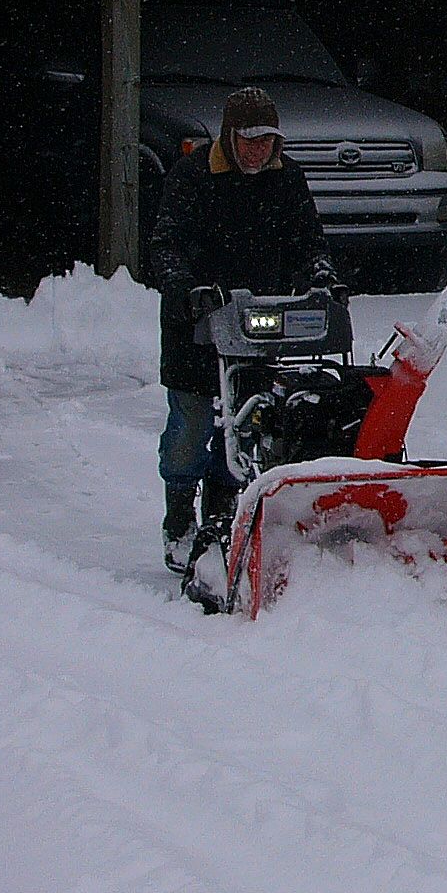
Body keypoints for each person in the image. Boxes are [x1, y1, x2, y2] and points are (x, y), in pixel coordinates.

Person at [145, 85, 342, 573]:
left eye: (267, 141)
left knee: (246, 423)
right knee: (193, 428)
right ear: (229, 138)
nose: (259, 151)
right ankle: (179, 518)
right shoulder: (192, 177)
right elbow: (165, 245)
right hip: (196, 327)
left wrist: (321, 276)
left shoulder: (286, 179)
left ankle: (222, 515)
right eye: (250, 140)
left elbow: (306, 240)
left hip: (258, 326)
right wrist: (188, 289)